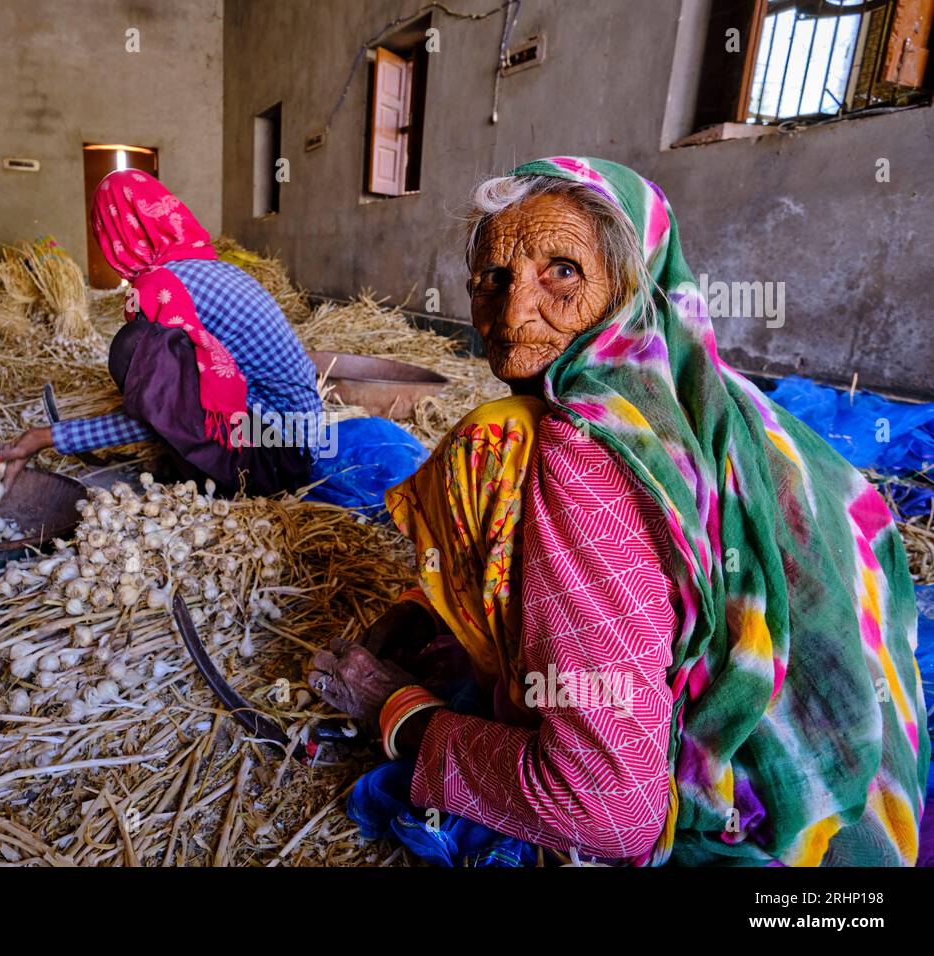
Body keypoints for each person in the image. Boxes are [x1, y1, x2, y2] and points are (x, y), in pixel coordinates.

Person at [307, 156, 929, 866]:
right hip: (869, 807)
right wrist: (429, 606)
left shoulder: (579, 450)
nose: (513, 315)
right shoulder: (715, 399)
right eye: (494, 278)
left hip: (761, 845)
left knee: (494, 435)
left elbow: (604, 808)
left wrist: (401, 712)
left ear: (633, 288)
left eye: (562, 272)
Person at [0, 170, 322, 497]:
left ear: (114, 235)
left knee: (131, 346)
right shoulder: (214, 268)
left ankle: (233, 485)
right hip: (303, 443)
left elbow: (163, 418)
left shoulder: (159, 288)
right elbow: (185, 408)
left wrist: (46, 437)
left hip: (275, 459)